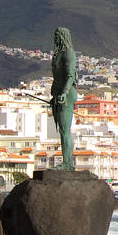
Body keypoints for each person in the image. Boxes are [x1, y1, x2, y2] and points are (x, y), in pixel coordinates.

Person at [50, 28, 77, 168]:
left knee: (65, 129)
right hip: (59, 94)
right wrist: (54, 94)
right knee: (62, 129)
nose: (54, 38)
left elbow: (70, 75)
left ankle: (67, 163)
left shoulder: (69, 53)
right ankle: (66, 162)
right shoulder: (58, 54)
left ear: (62, 36)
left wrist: (64, 92)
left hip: (66, 94)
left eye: (57, 36)